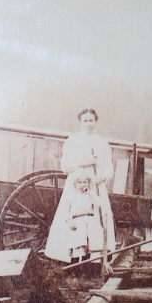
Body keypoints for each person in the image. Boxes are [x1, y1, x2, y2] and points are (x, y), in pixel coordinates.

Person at [44, 108, 116, 263]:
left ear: (96, 121)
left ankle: (97, 258)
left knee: (97, 216)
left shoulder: (102, 142)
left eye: (91, 120)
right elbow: (66, 166)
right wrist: (86, 162)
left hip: (96, 186)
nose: (88, 124)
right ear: (80, 122)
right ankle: (69, 257)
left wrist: (102, 177)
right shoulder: (72, 141)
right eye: (85, 121)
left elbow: (109, 167)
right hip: (75, 185)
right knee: (74, 216)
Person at [64, 171, 107, 260]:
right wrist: (70, 222)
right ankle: (74, 268)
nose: (82, 185)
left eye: (85, 182)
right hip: (78, 223)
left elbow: (99, 204)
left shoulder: (90, 195)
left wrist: (90, 193)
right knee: (78, 246)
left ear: (89, 183)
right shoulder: (72, 196)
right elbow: (65, 211)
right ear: (75, 184)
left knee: (89, 246)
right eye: (79, 182)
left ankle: (86, 268)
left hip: (90, 222)